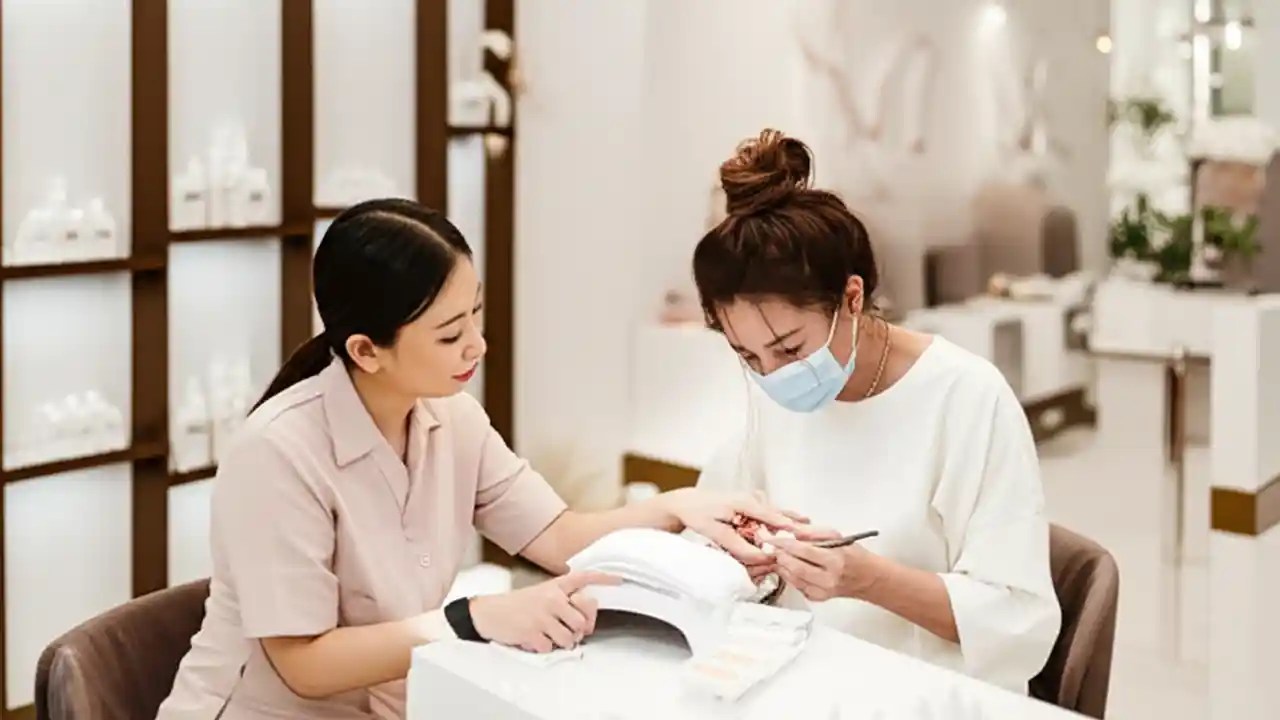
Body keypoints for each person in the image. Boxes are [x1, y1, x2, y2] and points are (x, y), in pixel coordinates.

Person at [156, 199, 818, 719]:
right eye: (450, 334)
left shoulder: (451, 417)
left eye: (475, 315)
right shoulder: (277, 454)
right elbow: (302, 663)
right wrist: (470, 620)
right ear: (365, 351)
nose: (478, 345)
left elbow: (558, 538)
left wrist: (678, 509)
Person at [690, 130, 1062, 693]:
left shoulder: (965, 398)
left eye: (790, 348)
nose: (773, 375)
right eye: (748, 356)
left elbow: (1020, 621)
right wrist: (742, 556)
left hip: (929, 695)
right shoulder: (771, 397)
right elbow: (717, 532)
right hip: (798, 680)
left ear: (853, 298)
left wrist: (868, 580)